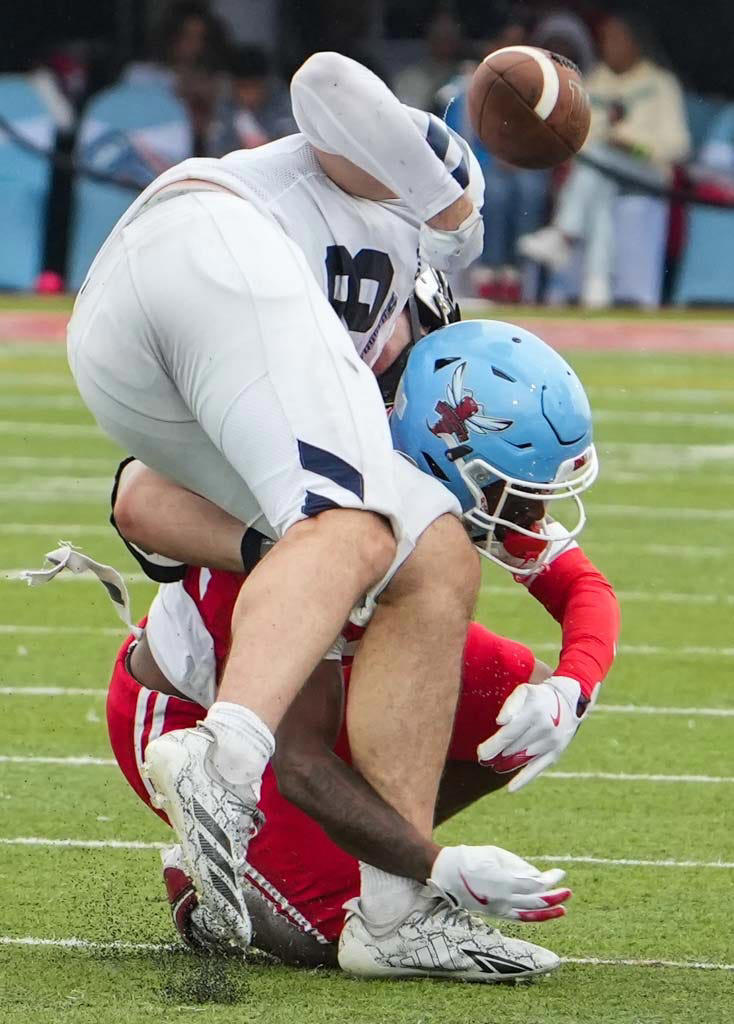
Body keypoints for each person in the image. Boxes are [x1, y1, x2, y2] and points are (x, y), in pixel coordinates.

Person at [65, 49, 497, 959]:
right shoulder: (406, 213)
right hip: (201, 241)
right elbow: (327, 81)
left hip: (130, 343)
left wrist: (569, 689)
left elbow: (143, 491)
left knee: (429, 554)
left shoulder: (299, 393)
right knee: (356, 525)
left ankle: (396, 913)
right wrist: (453, 209)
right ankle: (223, 762)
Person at [28, 319, 618, 979]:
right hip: (199, 718)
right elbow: (302, 761)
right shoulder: (330, 521)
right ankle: (226, 866)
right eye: (521, 495)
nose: (533, 517)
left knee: (519, 699)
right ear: (450, 457)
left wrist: (572, 687)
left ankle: (353, 858)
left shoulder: (423, 491)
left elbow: (585, 589)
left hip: (336, 680)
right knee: (325, 936)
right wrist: (436, 867)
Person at [518, 11, 690, 308]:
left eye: (617, 39)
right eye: (606, 39)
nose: (609, 46)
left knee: (598, 162)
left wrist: (631, 144)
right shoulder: (595, 81)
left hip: (647, 174)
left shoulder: (660, 83)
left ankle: (564, 234)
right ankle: (596, 284)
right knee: (601, 190)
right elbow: (577, 137)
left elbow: (678, 146)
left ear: (635, 43)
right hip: (602, 174)